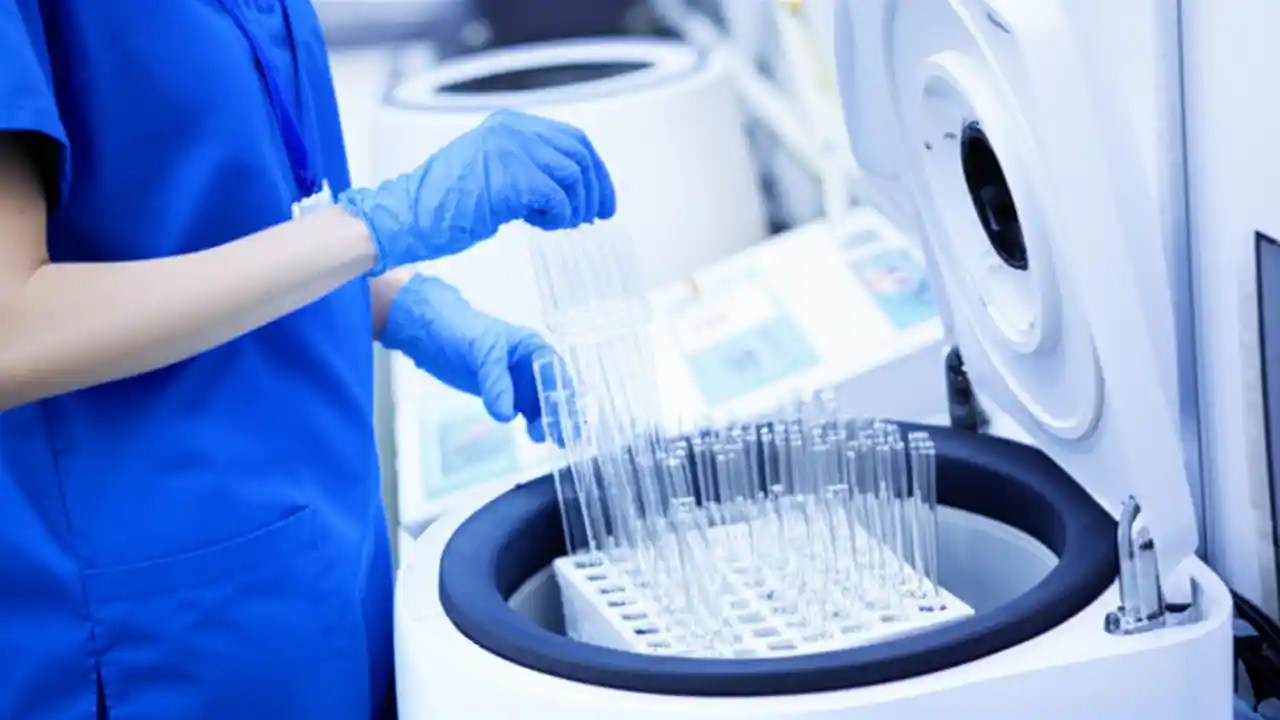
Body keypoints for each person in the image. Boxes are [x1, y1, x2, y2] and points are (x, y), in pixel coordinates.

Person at [0, 1, 615, 717]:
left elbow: (222, 212)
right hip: (161, 630)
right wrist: (377, 225)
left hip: (327, 573)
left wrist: (402, 307)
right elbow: (13, 329)